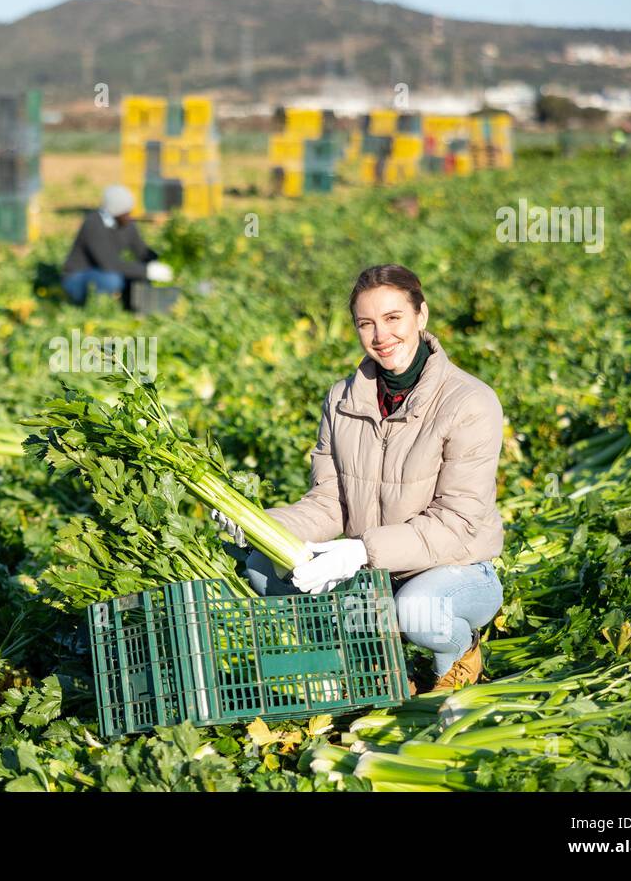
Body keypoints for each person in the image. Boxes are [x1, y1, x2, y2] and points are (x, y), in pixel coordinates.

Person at [215, 264, 505, 693]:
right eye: (366, 324)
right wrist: (265, 526)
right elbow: (330, 500)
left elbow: (457, 524)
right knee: (262, 569)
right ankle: (370, 661)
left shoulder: (469, 402)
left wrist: (361, 551)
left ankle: (459, 653)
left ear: (420, 316)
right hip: (373, 571)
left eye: (393, 319)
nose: (381, 336)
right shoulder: (342, 398)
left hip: (455, 569)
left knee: (418, 610)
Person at [61, 185, 172, 306]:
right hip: (78, 277)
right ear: (114, 213)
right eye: (125, 213)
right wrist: (147, 271)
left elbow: (141, 251)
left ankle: (126, 304)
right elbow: (109, 264)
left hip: (104, 271)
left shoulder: (127, 225)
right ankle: (94, 306)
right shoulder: (93, 224)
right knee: (112, 280)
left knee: (132, 276)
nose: (129, 217)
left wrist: (160, 261)